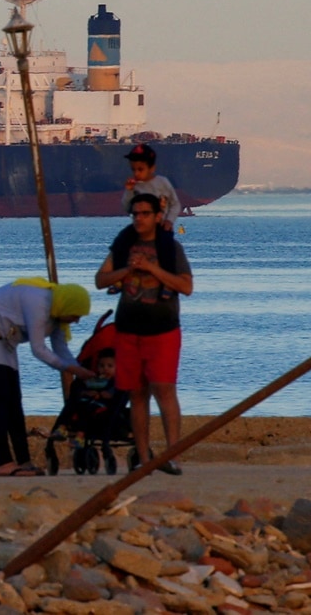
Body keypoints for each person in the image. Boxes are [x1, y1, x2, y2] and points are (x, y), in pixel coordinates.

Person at [0, 279, 95, 476]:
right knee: (0, 399)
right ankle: (4, 463)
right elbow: (38, 349)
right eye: (76, 315)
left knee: (15, 401)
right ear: (67, 306)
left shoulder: (57, 315)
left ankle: (24, 461)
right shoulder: (38, 303)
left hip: (6, 341)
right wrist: (70, 368)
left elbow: (61, 349)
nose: (77, 320)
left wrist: (79, 370)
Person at [96, 193, 194, 475]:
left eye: (144, 214)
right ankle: (142, 457)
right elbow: (101, 279)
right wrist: (128, 269)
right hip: (128, 331)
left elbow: (186, 286)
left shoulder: (170, 249)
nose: (139, 218)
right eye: (135, 214)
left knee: (164, 391)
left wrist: (151, 267)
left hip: (162, 331)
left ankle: (173, 455)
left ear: (156, 216)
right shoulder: (124, 245)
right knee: (136, 395)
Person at [121, 143, 181, 232]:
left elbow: (175, 204)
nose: (136, 173)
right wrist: (129, 190)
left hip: (161, 228)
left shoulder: (162, 182)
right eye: (133, 169)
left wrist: (169, 221)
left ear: (152, 168)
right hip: (141, 230)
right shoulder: (134, 187)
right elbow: (126, 207)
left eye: (140, 169)